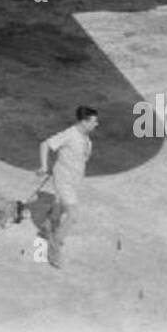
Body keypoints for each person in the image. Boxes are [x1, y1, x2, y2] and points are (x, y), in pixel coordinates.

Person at [37, 106, 98, 268]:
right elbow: (45, 144)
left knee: (61, 208)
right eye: (94, 121)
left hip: (74, 181)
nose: (96, 124)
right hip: (63, 180)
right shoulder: (70, 134)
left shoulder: (86, 139)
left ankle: (46, 228)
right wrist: (44, 167)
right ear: (84, 122)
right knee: (73, 215)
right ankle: (54, 248)